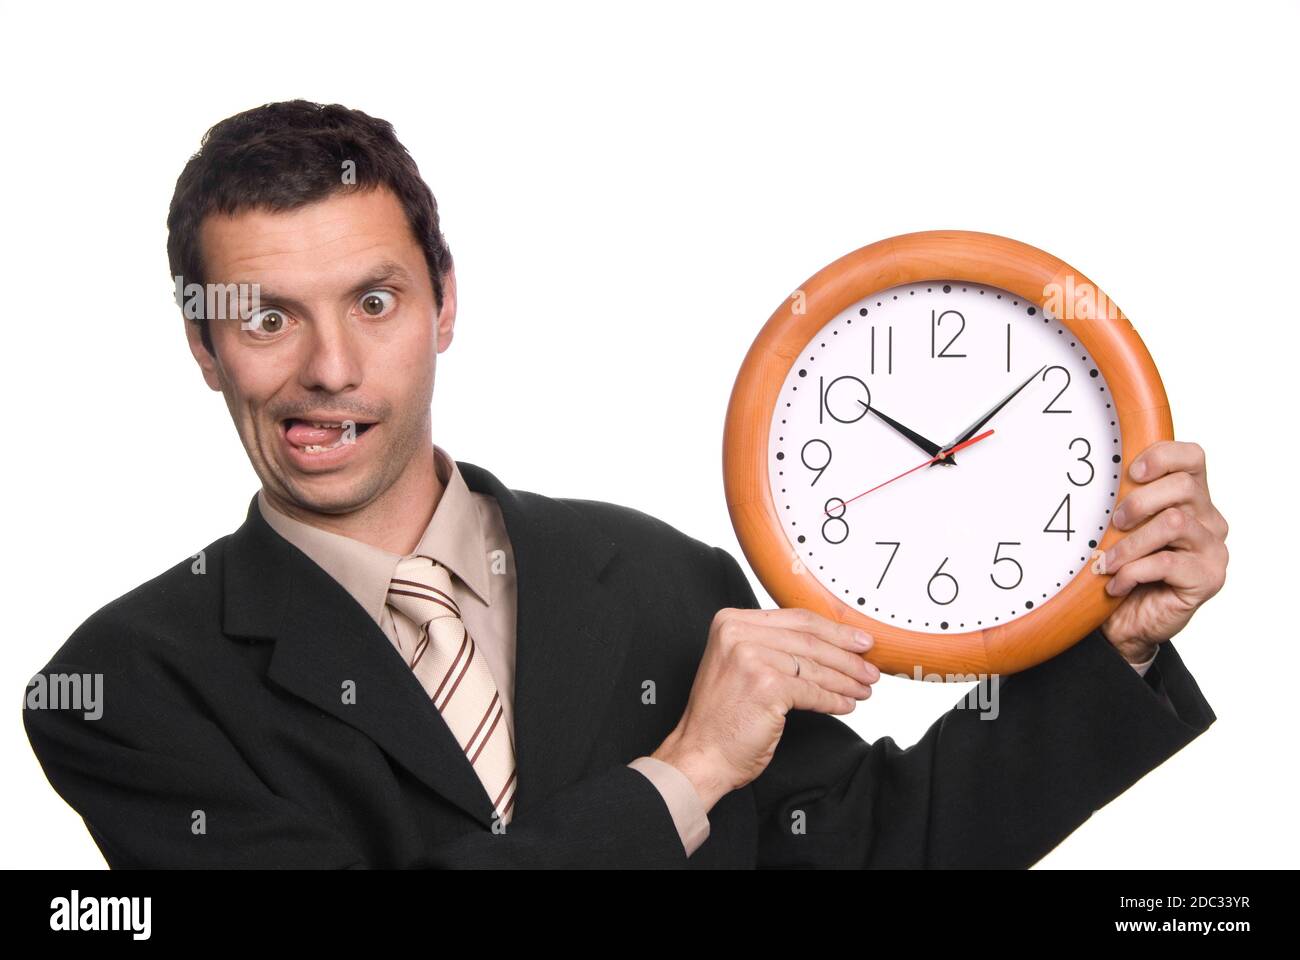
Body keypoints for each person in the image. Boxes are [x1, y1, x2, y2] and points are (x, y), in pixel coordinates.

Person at [22, 101, 1228, 868]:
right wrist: (685, 773)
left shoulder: (661, 576)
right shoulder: (119, 688)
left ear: (445, 304)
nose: (328, 369)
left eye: (373, 302)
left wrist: (1108, 644)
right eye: (268, 318)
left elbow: (871, 853)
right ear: (202, 345)